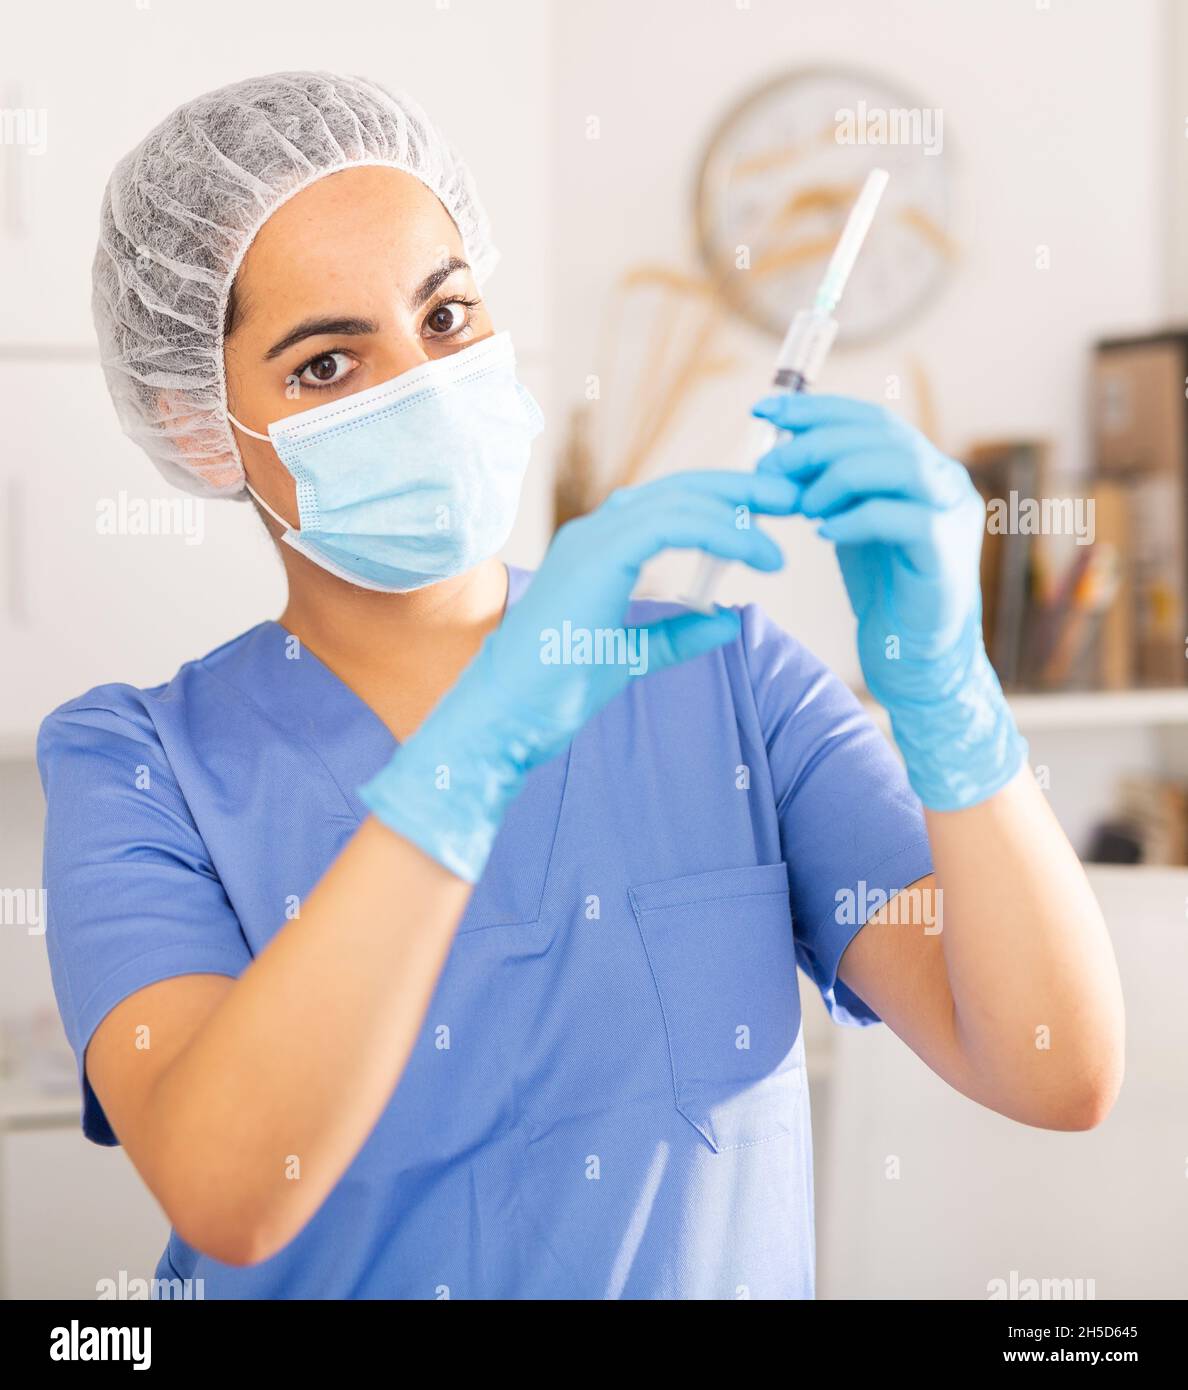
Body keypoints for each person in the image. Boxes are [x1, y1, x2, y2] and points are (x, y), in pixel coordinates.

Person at [39, 71, 1123, 1299]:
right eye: (328, 367)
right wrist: (481, 747)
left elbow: (1053, 1071)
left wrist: (948, 692)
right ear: (198, 428)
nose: (421, 385)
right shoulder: (138, 764)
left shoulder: (730, 680)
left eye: (445, 317)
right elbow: (229, 1189)